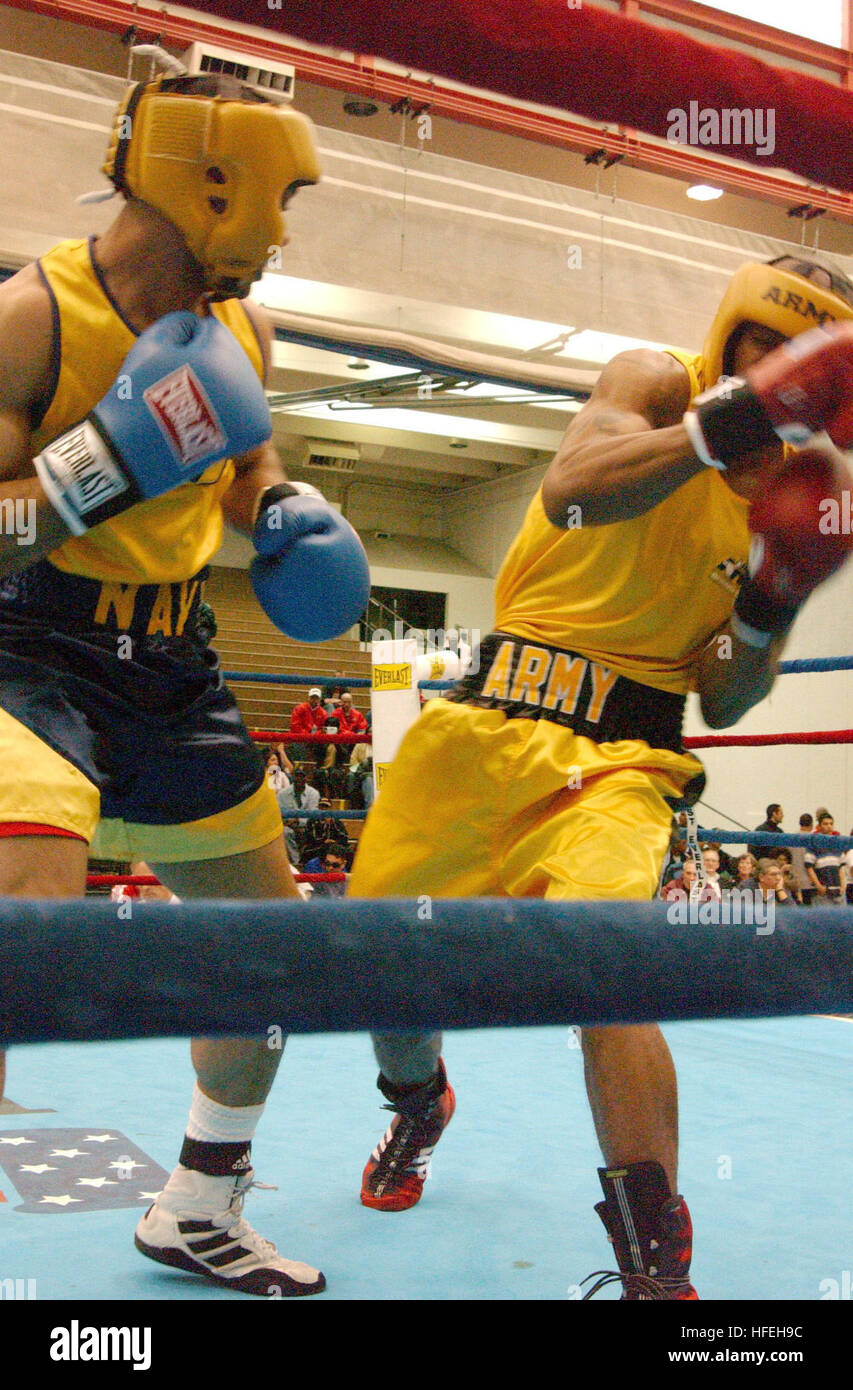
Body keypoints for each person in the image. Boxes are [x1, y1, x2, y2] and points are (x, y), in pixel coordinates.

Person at [346, 253, 853, 1299]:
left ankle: (652, 1275)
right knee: (380, 969)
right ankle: (416, 1101)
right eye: (768, 354)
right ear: (732, 341)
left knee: (606, 970)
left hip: (624, 758)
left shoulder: (799, 493)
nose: (781, 381)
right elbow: (574, 492)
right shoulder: (653, 382)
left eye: (805, 370)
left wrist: (772, 597)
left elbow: (727, 696)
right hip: (483, 722)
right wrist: (727, 425)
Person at [0, 64, 371, 1295]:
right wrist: (102, 464)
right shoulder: (32, 319)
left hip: (170, 659)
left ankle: (198, 1206)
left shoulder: (244, 332)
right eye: (281, 198)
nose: (281, 232)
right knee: (28, 927)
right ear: (209, 182)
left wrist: (285, 509)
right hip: (23, 646)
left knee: (268, 954)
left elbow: (248, 457)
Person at [805, 811, 846, 903]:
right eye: (825, 824)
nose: (829, 826)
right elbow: (809, 868)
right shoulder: (813, 844)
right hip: (822, 892)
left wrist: (843, 886)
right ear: (819, 826)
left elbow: (840, 868)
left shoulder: (837, 844)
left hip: (838, 890)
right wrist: (819, 886)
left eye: (831, 824)